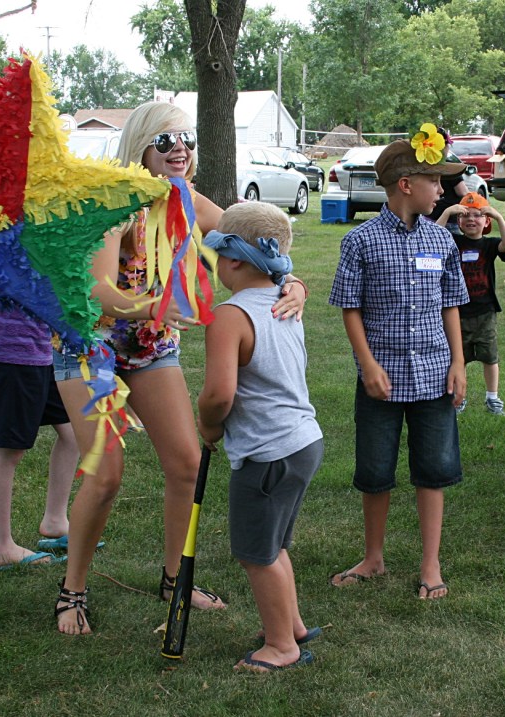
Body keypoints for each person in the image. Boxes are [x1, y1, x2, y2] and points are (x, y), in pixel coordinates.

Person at [52, 101, 307, 635]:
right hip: (88, 347)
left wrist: (291, 281)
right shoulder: (114, 204)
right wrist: (154, 306)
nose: (181, 150)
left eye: (186, 139)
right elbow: (97, 292)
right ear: (140, 147)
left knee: (187, 465)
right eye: (166, 141)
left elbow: (252, 237)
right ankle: (72, 590)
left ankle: (174, 579)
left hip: (148, 347)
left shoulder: (186, 199)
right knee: (105, 472)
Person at [328, 133, 468, 601]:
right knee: (375, 470)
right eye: (434, 181)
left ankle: (431, 564)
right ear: (406, 184)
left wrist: (459, 364)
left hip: (432, 376)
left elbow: (451, 304)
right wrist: (366, 364)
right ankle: (373, 557)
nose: (441, 191)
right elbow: (350, 307)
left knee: (434, 469)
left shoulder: (441, 239)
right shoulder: (360, 242)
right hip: (381, 380)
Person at [197, 202, 324, 673]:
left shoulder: (229, 316)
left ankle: (280, 646)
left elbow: (218, 394)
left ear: (230, 260)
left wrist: (208, 425)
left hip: (267, 451)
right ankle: (291, 625)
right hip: (302, 441)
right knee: (276, 545)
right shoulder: (285, 300)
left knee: (256, 554)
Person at [0, 304, 80, 569]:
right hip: (9, 354)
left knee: (74, 432)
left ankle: (55, 521)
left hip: (41, 352)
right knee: (8, 449)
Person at [436, 192, 505, 415]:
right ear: (458, 221)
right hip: (457, 311)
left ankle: (493, 398)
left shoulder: (489, 245)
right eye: (465, 215)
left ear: (486, 221)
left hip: (485, 310)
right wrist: (447, 213)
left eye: (478, 215)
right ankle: (459, 397)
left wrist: (499, 217)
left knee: (490, 356)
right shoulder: (454, 242)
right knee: (458, 357)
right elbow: (435, 235)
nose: (471, 219)